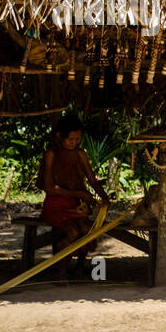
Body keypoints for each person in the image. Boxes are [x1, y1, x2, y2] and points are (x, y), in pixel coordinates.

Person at [39, 115, 110, 276]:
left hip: (75, 205)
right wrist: (79, 193)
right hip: (55, 206)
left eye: (77, 139)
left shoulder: (80, 154)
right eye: (71, 139)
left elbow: (92, 180)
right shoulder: (51, 154)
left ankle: (79, 269)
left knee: (87, 231)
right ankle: (61, 272)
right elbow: (50, 188)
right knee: (72, 233)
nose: (74, 142)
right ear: (60, 136)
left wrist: (104, 198)